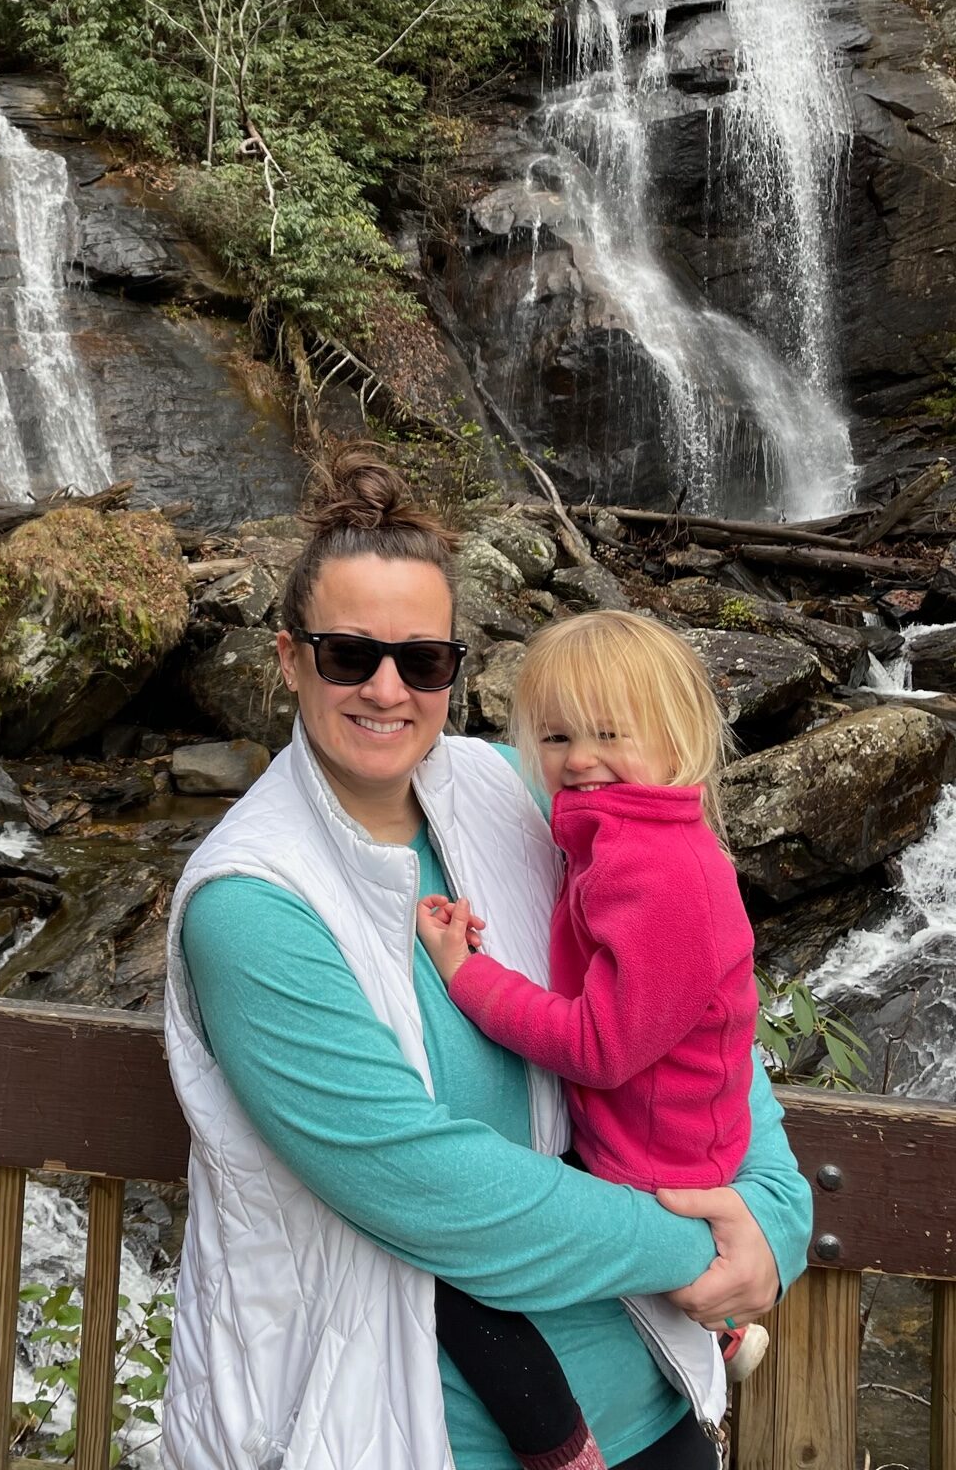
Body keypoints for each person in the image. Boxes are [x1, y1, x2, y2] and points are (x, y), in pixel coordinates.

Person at [162, 450, 811, 1470]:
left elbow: (696, 1009)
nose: (387, 690)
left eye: (422, 661)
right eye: (349, 655)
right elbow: (431, 1185)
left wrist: (773, 1217)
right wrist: (701, 1247)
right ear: (289, 658)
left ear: (455, 671)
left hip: (653, 1393)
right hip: (413, 1432)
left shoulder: (522, 788)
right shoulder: (251, 906)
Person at [418, 611, 765, 1470]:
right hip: (665, 1134)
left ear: (677, 737)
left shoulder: (657, 870)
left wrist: (469, 977)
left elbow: (601, 1045)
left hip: (655, 1156)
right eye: (557, 736)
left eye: (609, 735)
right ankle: (715, 1329)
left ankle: (563, 1443)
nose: (578, 760)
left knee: (475, 1256)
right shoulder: (622, 837)